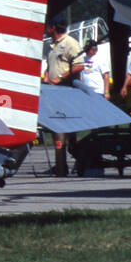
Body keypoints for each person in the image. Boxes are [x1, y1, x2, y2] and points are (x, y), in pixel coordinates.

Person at [44, 18, 82, 176]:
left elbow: (79, 65)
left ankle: (80, 162)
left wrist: (60, 77)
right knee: (57, 128)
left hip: (66, 90)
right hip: (54, 91)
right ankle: (61, 166)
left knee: (67, 129)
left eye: (47, 27)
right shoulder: (52, 45)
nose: (45, 29)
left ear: (53, 28)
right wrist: (47, 75)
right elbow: (50, 65)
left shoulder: (70, 43)